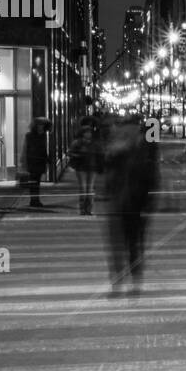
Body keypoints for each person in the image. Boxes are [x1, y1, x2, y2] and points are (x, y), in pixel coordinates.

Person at [103, 118, 158, 295]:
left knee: (133, 245)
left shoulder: (144, 152)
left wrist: (149, 203)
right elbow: (106, 175)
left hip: (135, 205)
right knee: (118, 246)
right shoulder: (116, 153)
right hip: (118, 204)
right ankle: (118, 284)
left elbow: (152, 179)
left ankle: (135, 283)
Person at [68, 123, 103, 215]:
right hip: (81, 168)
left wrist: (100, 165)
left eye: (90, 132)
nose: (88, 134)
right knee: (83, 188)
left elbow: (100, 155)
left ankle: (89, 209)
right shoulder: (77, 143)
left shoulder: (95, 143)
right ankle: (83, 209)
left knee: (90, 189)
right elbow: (71, 153)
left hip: (92, 168)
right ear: (82, 133)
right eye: (86, 132)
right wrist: (79, 155)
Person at [23, 118, 51, 207]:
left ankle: (35, 199)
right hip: (33, 160)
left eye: (42, 125)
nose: (41, 127)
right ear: (36, 126)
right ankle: (34, 200)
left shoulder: (43, 135)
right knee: (34, 182)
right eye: (39, 125)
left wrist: (46, 159)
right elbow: (27, 149)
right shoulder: (30, 135)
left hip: (39, 160)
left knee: (36, 182)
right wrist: (26, 162)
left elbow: (43, 149)